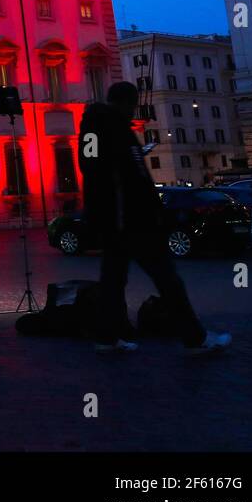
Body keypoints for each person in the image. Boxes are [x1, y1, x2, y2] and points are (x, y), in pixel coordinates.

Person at [81, 82, 231, 355]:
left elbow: (99, 170)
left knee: (114, 282)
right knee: (167, 280)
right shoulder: (109, 129)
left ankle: (106, 337)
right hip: (130, 220)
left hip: (121, 219)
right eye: (133, 105)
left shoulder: (107, 129)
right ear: (126, 102)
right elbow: (106, 173)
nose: (133, 111)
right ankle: (194, 338)